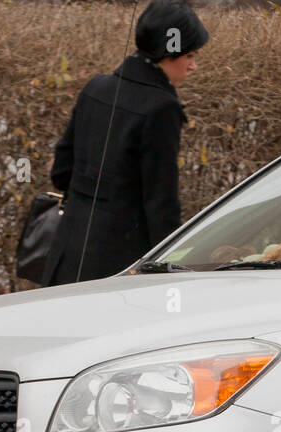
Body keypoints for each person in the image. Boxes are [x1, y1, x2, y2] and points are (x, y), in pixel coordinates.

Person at [42, 1, 208, 285]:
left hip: (65, 256)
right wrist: (170, 271)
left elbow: (60, 173)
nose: (193, 66)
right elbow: (161, 204)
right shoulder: (161, 108)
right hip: (120, 269)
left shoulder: (96, 87)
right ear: (167, 53)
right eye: (189, 55)